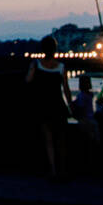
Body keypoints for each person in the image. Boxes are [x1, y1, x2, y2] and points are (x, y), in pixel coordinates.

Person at [25, 36, 73, 181]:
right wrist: (70, 105)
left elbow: (28, 80)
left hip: (43, 105)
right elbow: (66, 89)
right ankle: (63, 170)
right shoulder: (61, 67)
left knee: (48, 140)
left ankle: (52, 170)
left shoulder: (36, 64)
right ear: (55, 49)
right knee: (61, 139)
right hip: (58, 104)